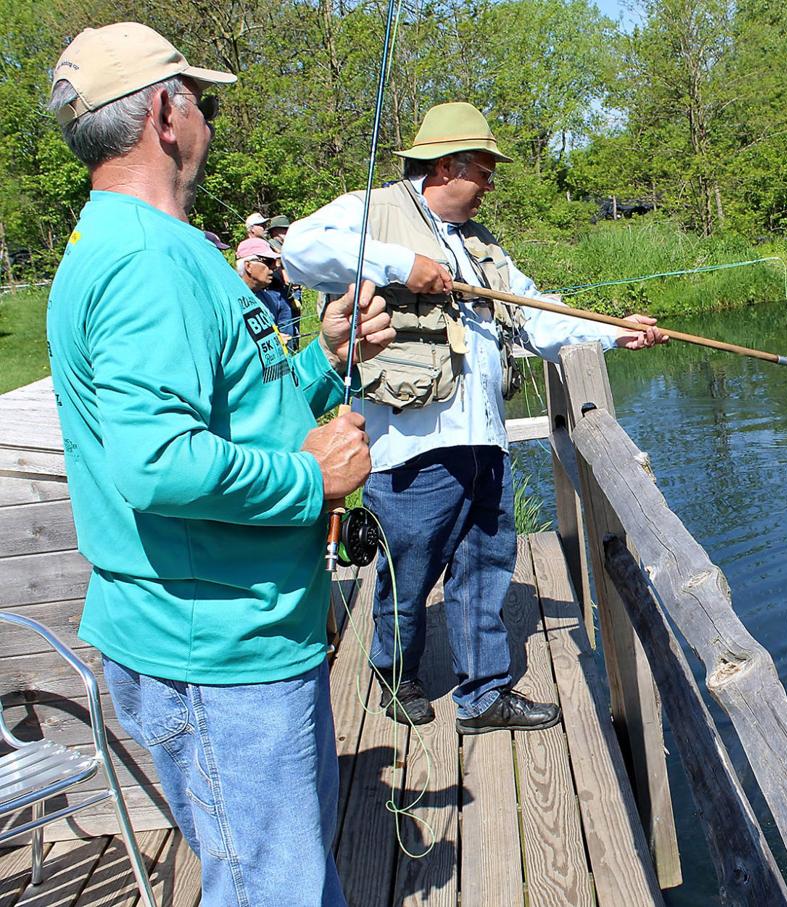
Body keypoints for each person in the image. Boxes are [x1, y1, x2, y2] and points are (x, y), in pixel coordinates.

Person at [46, 22, 394, 906]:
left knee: (284, 873)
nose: (208, 114)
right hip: (217, 654)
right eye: (198, 97)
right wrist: (313, 480)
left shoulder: (157, 244)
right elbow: (158, 463)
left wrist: (319, 356)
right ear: (166, 112)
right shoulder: (142, 262)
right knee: (271, 888)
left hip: (240, 639)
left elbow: (235, 408)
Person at [285, 101, 667, 735]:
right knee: (406, 573)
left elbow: (539, 313)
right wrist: (401, 265)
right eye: (485, 169)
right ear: (447, 165)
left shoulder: (482, 246)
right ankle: (395, 671)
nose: (491, 182)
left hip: (484, 440)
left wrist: (611, 332)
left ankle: (483, 694)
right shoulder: (369, 211)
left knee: (487, 567)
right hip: (407, 446)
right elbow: (299, 251)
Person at [236, 236, 296, 346]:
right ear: (248, 266)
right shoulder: (230, 300)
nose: (275, 266)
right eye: (269, 262)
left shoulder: (272, 299)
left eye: (275, 261)